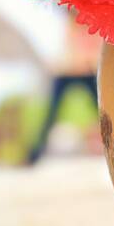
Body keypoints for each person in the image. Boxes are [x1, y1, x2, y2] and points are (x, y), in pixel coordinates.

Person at [26, 9, 102, 165]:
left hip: (85, 70)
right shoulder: (69, 24)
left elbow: (93, 47)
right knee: (51, 115)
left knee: (103, 115)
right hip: (68, 71)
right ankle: (34, 155)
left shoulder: (90, 23)